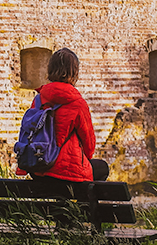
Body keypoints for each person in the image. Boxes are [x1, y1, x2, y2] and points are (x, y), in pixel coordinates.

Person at [19, 48, 109, 182]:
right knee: (102, 168)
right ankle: (82, 204)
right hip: (68, 174)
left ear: (50, 70)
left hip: (38, 167)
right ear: (74, 73)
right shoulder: (77, 103)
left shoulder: (38, 99)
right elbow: (89, 146)